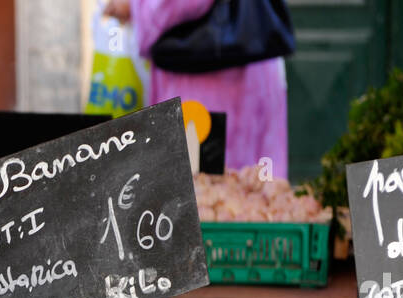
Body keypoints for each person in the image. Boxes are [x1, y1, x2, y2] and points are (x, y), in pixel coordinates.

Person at [106, 0, 289, 178]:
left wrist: (134, 6)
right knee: (247, 190)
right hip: (241, 60)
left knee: (208, 193)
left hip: (210, 80)